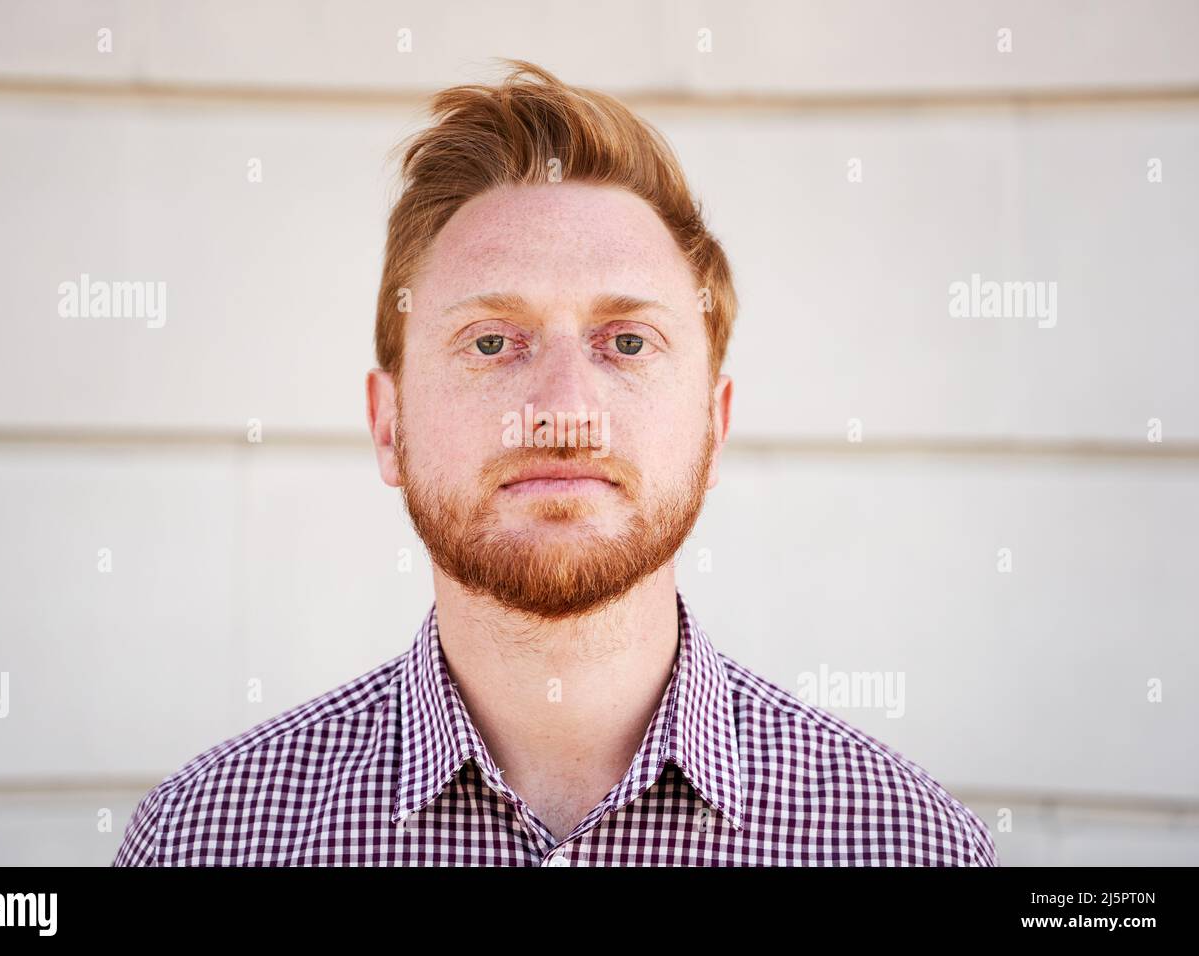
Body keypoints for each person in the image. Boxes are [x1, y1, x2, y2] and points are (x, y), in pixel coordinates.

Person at [114, 59, 997, 866]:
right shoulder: (203, 839)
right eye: (492, 340)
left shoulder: (911, 845)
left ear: (714, 426)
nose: (565, 411)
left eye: (627, 341)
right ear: (389, 425)